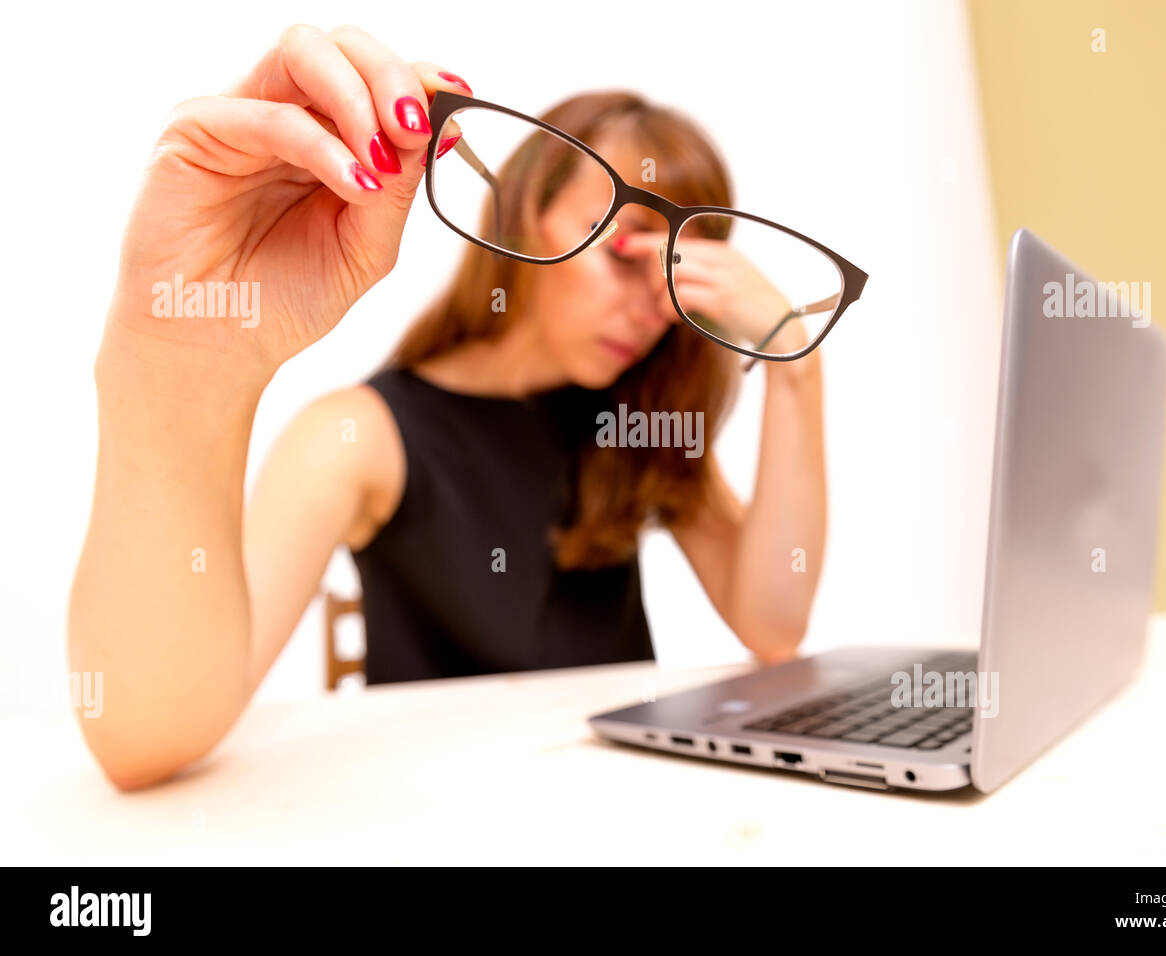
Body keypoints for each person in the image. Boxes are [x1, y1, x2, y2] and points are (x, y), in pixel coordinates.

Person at [69, 24, 827, 790]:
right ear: (525, 212)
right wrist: (174, 365)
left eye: (679, 269)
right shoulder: (359, 436)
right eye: (629, 250)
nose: (653, 303)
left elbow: (772, 621)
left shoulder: (634, 421)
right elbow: (150, 737)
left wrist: (797, 360)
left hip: (624, 808)